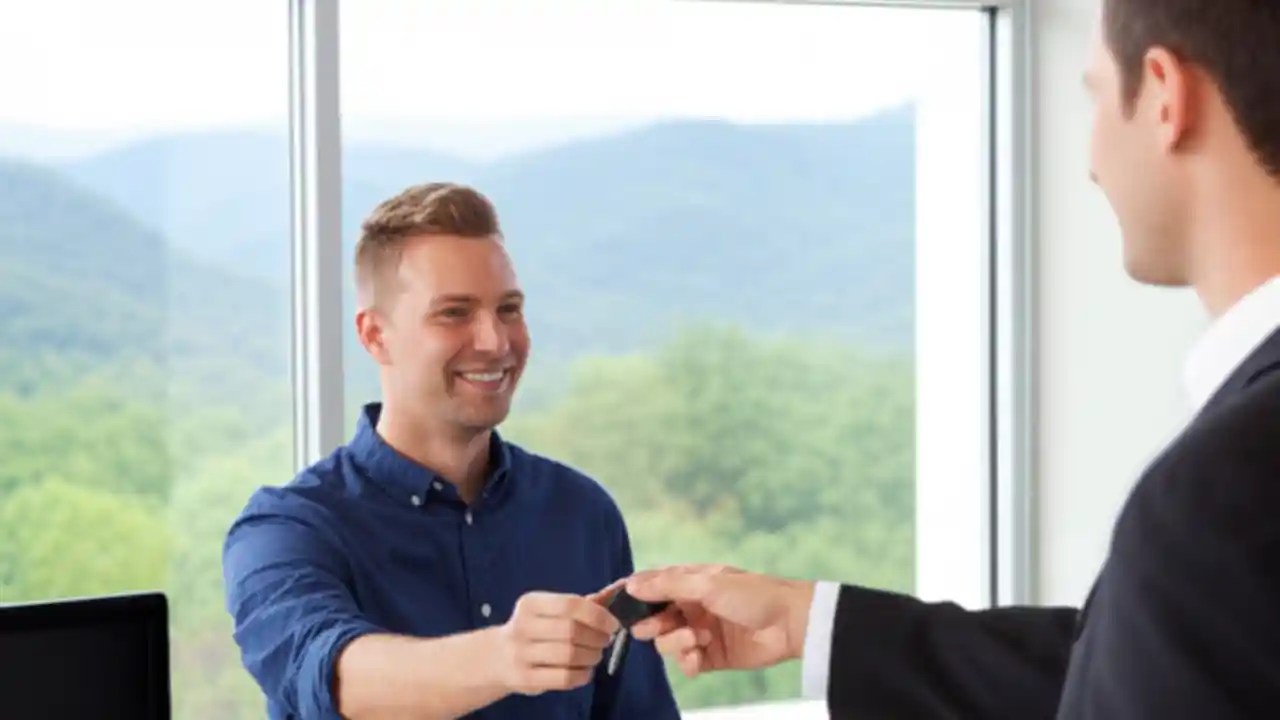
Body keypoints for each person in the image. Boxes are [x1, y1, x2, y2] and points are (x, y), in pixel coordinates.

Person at [627, 0, 1280, 717]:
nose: (1092, 161)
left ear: (1163, 93)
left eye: (1095, 97)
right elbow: (1150, 662)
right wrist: (814, 625)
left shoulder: (1220, 493)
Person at [222, 183, 679, 719]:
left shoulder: (581, 512)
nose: (494, 340)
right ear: (375, 336)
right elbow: (331, 676)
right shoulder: (284, 531)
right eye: (454, 313)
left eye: (508, 309)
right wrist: (505, 657)